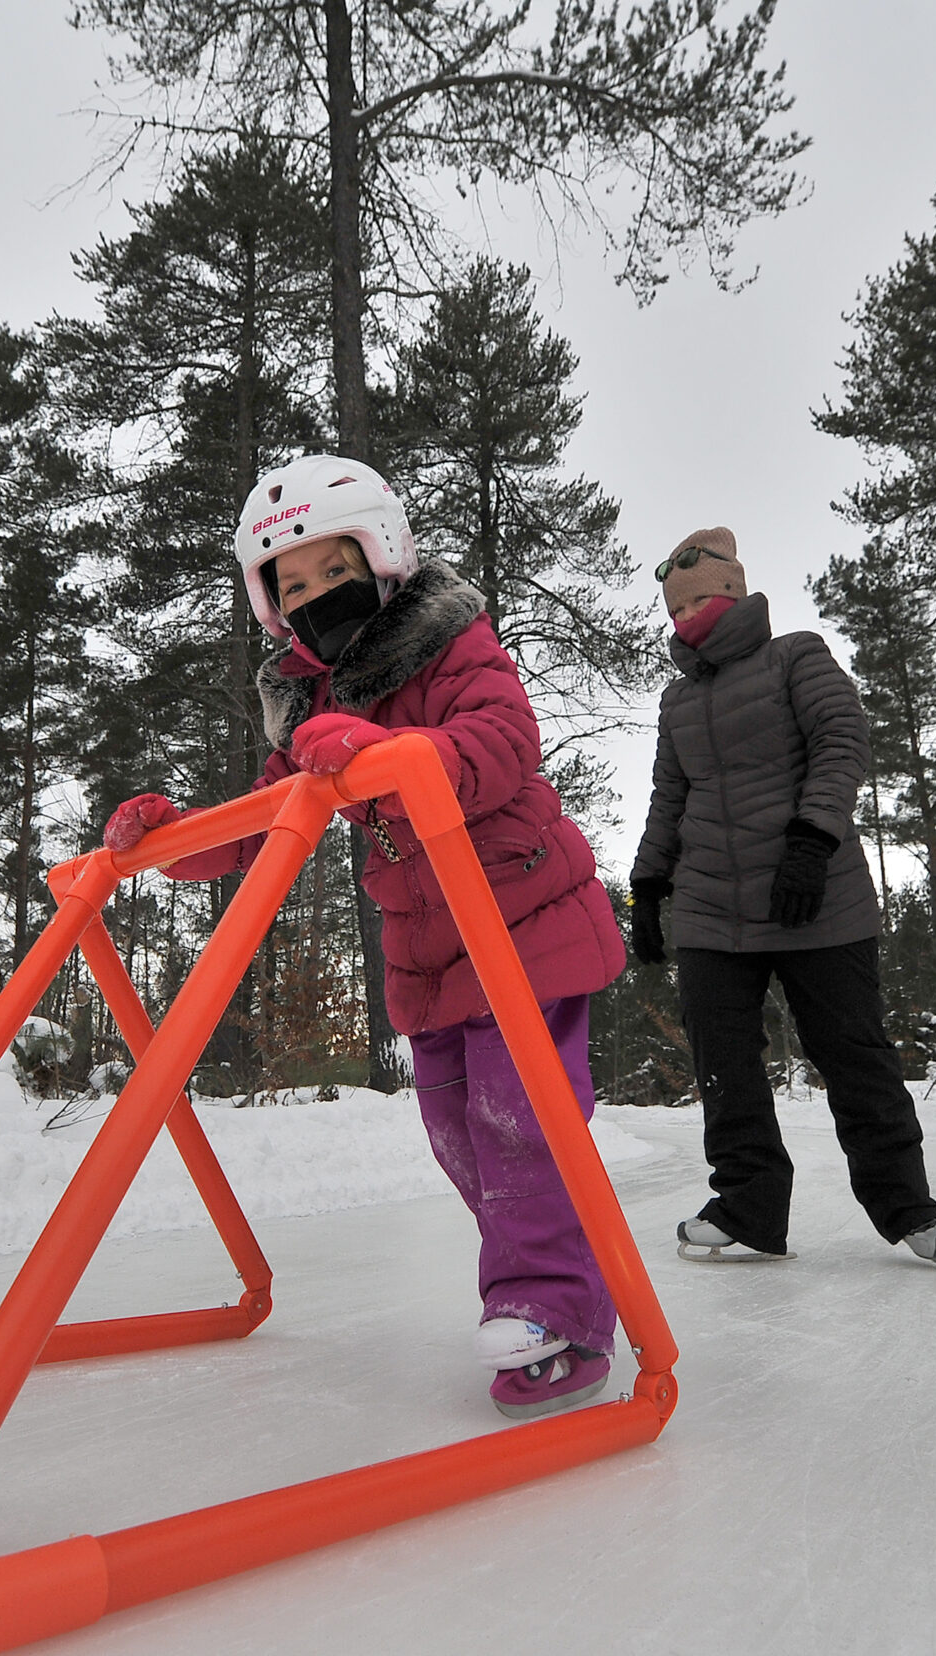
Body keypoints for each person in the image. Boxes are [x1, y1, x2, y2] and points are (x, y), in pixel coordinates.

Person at [102, 454, 630, 1417]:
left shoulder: (450, 642)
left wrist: (393, 755)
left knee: (522, 1127)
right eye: (290, 584)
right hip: (429, 957)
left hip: (523, 926)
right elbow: (266, 821)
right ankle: (556, 1284)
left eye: (329, 570)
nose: (314, 597)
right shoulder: (310, 704)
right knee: (459, 1138)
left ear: (380, 556)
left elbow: (504, 741)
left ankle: (549, 1306)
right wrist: (171, 843)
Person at [627, 527, 936, 1269]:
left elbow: (843, 740)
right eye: (674, 608)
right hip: (713, 909)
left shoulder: (795, 656)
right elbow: (667, 797)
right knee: (724, 1066)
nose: (685, 617)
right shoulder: (678, 700)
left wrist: (813, 840)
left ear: (735, 594)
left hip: (815, 896)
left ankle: (907, 1205)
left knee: (854, 1054)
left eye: (698, 599)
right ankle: (748, 1206)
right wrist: (649, 885)